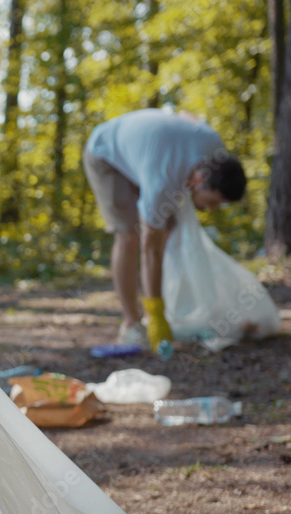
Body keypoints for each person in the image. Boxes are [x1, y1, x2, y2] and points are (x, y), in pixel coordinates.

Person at [82, 108, 246, 350]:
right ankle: (132, 324)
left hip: (146, 153)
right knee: (130, 235)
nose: (212, 209)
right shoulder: (162, 181)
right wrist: (155, 311)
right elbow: (151, 252)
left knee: (171, 227)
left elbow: (187, 114)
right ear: (199, 180)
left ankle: (173, 308)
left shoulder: (215, 148)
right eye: (212, 201)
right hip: (105, 152)